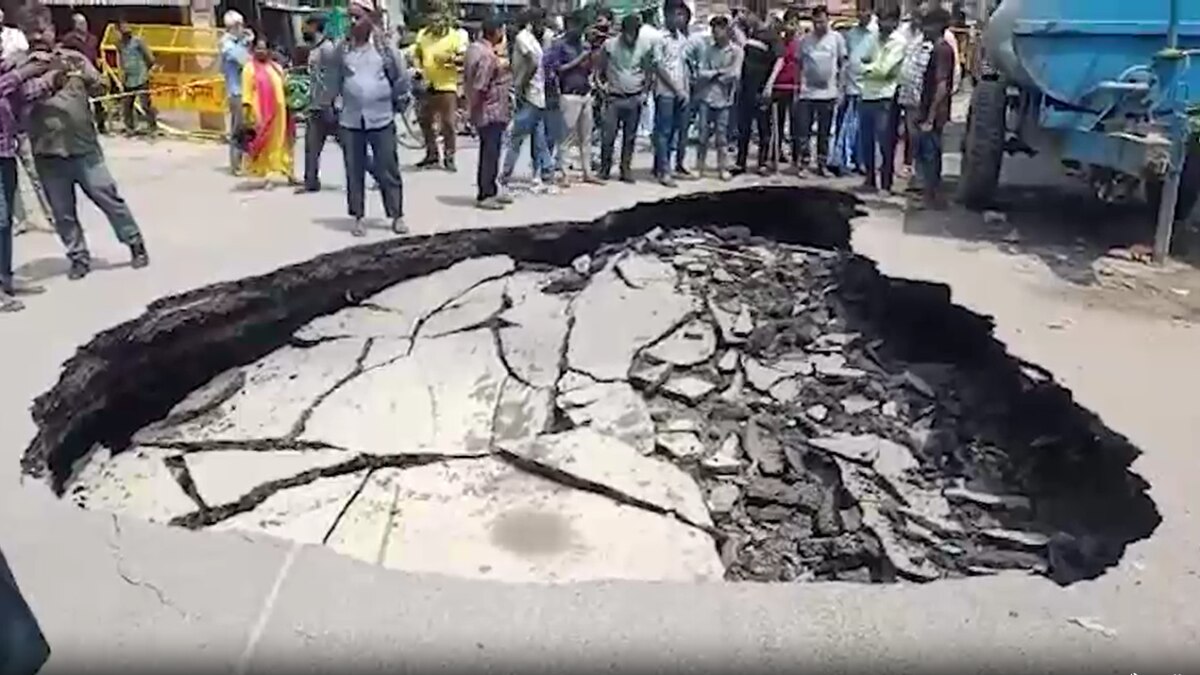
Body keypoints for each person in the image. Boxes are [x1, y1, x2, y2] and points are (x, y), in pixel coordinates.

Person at [23, 8, 150, 281]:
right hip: (48, 152)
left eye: (42, 30)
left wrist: (82, 77)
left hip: (84, 148)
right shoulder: (21, 67)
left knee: (107, 196)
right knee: (62, 212)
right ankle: (78, 257)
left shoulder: (74, 59)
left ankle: (134, 242)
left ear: (53, 31)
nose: (38, 36)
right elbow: (17, 100)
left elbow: (100, 87)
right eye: (32, 32)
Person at [323, 0, 409, 237]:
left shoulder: (385, 48)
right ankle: (358, 216)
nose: (352, 22)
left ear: (369, 19)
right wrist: (331, 105)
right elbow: (334, 80)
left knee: (388, 168)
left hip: (381, 118)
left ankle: (396, 215)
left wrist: (398, 101)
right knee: (354, 169)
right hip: (351, 121)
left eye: (357, 17)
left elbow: (400, 78)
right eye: (350, 17)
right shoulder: (342, 50)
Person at [0, 52, 60, 311]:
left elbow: (21, 94)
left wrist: (52, 78)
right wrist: (25, 70)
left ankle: (5, 281)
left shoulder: (6, 68)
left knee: (4, 225)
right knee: (0, 219)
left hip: (6, 152)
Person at [544, 9, 601, 186]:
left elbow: (590, 68)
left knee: (586, 137)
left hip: (585, 93)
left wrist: (591, 56)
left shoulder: (583, 45)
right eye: (576, 26)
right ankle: (563, 173)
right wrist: (579, 59)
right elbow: (557, 69)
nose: (579, 30)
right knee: (566, 138)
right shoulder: (560, 45)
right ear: (569, 25)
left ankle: (587, 172)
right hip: (569, 94)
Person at [501, 7, 554, 191]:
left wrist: (521, 85)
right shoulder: (532, 40)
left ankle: (505, 176)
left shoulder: (523, 38)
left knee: (517, 138)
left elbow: (532, 62)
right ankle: (541, 174)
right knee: (537, 137)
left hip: (529, 95)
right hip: (537, 95)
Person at [596, 13, 653, 183]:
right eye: (629, 33)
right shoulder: (610, 45)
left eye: (635, 33)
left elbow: (649, 72)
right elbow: (600, 70)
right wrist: (601, 87)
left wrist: (645, 93)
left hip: (634, 97)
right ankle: (605, 169)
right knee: (608, 136)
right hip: (613, 97)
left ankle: (625, 169)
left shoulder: (644, 46)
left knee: (630, 137)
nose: (632, 36)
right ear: (623, 31)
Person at [464, 16, 513, 210]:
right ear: (497, 31)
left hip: (487, 110)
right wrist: (472, 109)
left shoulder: (474, 48)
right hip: (490, 111)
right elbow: (480, 86)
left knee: (490, 151)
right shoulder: (487, 56)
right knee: (490, 153)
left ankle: (491, 189)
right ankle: (485, 194)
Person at [857, 8, 905, 193]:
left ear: (895, 22)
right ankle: (869, 180)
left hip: (886, 97)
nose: (881, 26)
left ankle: (886, 182)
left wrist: (868, 68)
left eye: (885, 22)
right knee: (866, 141)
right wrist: (870, 68)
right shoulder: (873, 37)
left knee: (885, 142)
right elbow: (857, 61)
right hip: (867, 94)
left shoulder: (899, 42)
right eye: (879, 22)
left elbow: (884, 70)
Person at [795, 5, 846, 176]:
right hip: (807, 93)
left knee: (824, 132)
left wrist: (841, 88)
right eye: (816, 22)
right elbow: (799, 64)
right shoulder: (805, 40)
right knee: (804, 131)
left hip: (828, 93)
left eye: (822, 22)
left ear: (828, 20)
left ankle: (822, 164)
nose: (819, 26)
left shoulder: (836, 38)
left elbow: (842, 64)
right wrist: (798, 88)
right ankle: (804, 163)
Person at [413, 9, 465, 171]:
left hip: (447, 84)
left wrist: (450, 59)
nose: (435, 25)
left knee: (448, 123)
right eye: (432, 21)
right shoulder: (423, 35)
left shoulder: (454, 36)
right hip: (427, 84)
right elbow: (417, 54)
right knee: (424, 119)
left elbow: (464, 58)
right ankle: (432, 153)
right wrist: (418, 68)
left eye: (438, 21)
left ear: (445, 21)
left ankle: (449, 156)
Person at [239, 37, 296, 186]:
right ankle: (267, 175)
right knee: (266, 143)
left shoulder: (277, 67)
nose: (261, 51)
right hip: (261, 113)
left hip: (280, 113)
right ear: (253, 50)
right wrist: (247, 113)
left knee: (282, 141)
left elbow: (284, 86)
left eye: (264, 48)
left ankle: (285, 170)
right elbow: (246, 92)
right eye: (258, 48)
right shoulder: (249, 68)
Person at [691, 14, 741, 180]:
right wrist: (719, 72)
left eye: (718, 30)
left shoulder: (735, 51)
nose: (715, 34)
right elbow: (701, 73)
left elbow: (734, 74)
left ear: (726, 31)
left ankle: (722, 168)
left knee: (722, 137)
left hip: (725, 99)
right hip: (706, 97)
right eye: (713, 30)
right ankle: (700, 166)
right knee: (703, 135)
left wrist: (717, 74)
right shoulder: (708, 50)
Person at [913, 7, 954, 209]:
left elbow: (941, 86)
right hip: (931, 111)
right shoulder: (938, 48)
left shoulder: (942, 50)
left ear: (938, 26)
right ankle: (930, 195)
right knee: (927, 154)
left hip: (935, 114)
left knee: (930, 155)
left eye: (927, 25)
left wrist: (930, 117)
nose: (923, 29)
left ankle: (932, 197)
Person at [297, 13, 340, 193]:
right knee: (311, 147)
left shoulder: (328, 49)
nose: (304, 29)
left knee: (349, 145)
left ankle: (378, 174)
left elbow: (336, 76)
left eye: (306, 25)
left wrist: (332, 101)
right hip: (315, 107)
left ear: (315, 26)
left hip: (328, 107)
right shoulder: (315, 49)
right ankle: (311, 182)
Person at [650, 3, 691, 186]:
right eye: (676, 15)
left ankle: (662, 165)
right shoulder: (660, 38)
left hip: (682, 91)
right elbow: (659, 67)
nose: (679, 19)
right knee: (663, 131)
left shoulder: (682, 38)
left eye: (681, 15)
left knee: (676, 131)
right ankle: (664, 171)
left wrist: (684, 90)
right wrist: (676, 89)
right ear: (667, 15)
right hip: (666, 91)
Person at [834, 3, 877, 175]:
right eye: (859, 10)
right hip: (851, 87)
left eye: (865, 10)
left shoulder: (876, 33)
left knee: (864, 130)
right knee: (849, 127)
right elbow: (845, 62)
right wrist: (841, 86)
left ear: (871, 11)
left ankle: (864, 163)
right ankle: (846, 161)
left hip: (869, 88)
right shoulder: (851, 34)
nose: (861, 13)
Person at [732, 13, 774, 176]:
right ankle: (740, 163)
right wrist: (736, 19)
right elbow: (731, 30)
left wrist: (769, 85)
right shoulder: (748, 36)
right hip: (745, 89)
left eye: (751, 15)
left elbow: (779, 60)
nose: (749, 18)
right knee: (744, 129)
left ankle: (762, 163)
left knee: (764, 128)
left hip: (761, 88)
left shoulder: (770, 36)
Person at [761, 7, 800, 172]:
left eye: (794, 23)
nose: (791, 26)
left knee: (796, 125)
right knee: (778, 124)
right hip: (779, 86)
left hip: (795, 87)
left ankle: (796, 159)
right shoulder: (779, 42)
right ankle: (776, 155)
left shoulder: (801, 44)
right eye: (789, 23)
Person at [219, 11, 252, 174]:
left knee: (248, 127)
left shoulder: (238, 42)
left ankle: (246, 162)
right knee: (238, 129)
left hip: (245, 90)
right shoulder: (227, 44)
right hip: (236, 92)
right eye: (241, 25)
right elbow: (244, 60)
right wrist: (246, 42)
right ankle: (236, 165)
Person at [61, 13, 104, 134]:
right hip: (78, 73)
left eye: (84, 23)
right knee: (81, 101)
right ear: (75, 25)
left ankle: (101, 125)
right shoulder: (69, 39)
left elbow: (96, 54)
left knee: (98, 100)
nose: (83, 25)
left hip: (93, 72)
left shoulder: (93, 38)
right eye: (80, 23)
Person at [115, 18, 157, 135]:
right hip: (128, 78)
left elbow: (149, 57)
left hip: (141, 76)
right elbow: (120, 59)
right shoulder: (119, 44)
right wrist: (121, 74)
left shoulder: (138, 41)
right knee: (127, 104)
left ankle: (152, 126)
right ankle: (130, 127)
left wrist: (150, 69)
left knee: (145, 104)